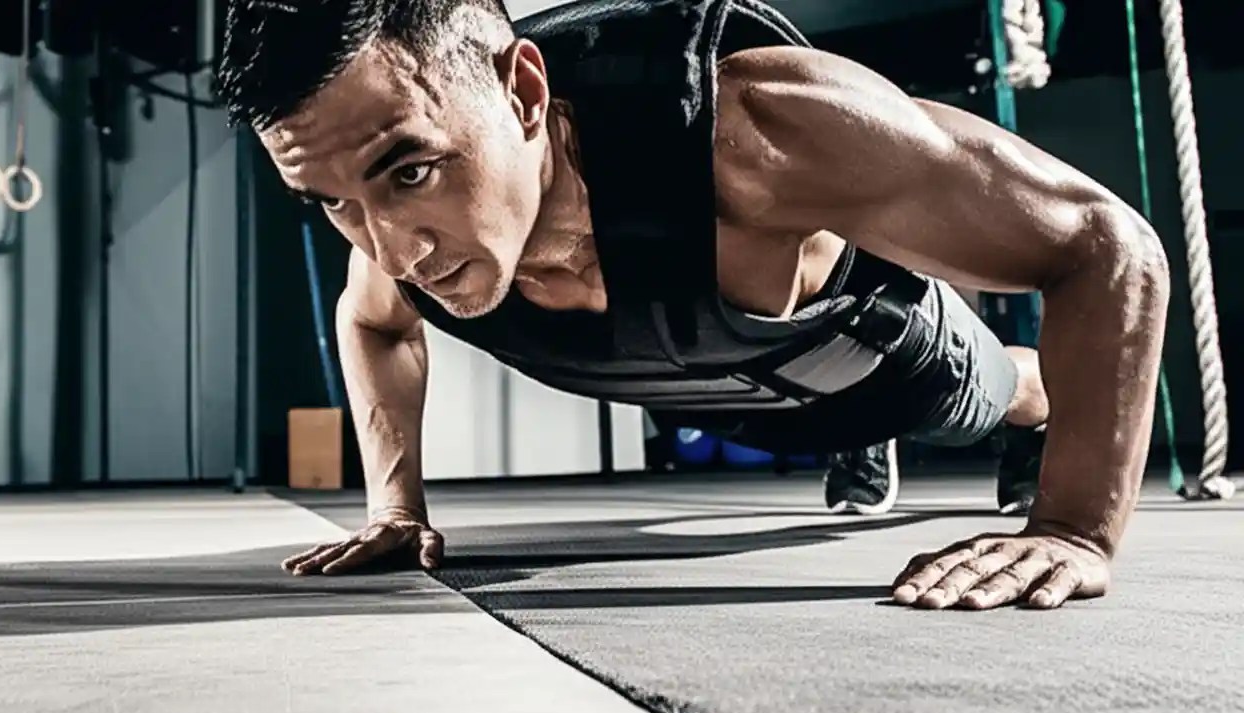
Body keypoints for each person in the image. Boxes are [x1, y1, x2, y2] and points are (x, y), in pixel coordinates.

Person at [217, 0, 1169, 611]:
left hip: (876, 365)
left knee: (1004, 393)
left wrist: (1075, 527)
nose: (393, 248)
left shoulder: (752, 131)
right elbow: (375, 319)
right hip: (714, 388)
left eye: (412, 171)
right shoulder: (398, 236)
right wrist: (396, 505)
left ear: (522, 92)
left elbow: (1104, 246)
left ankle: (1018, 420)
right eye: (334, 202)